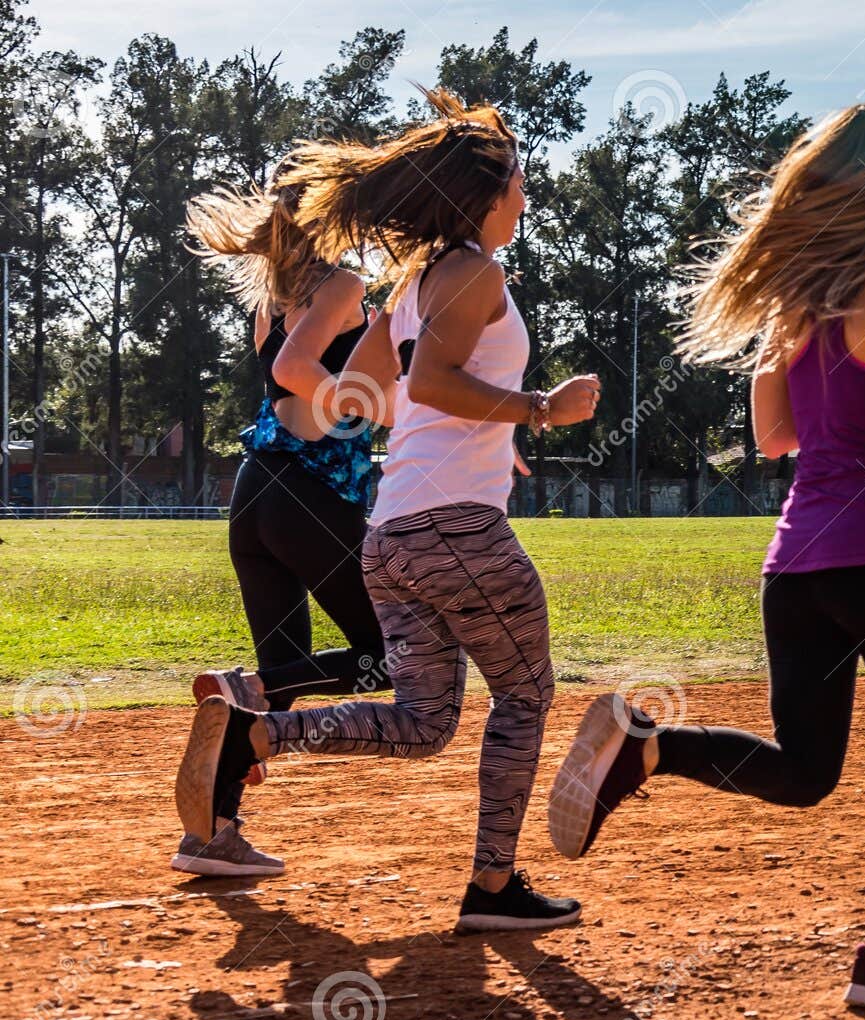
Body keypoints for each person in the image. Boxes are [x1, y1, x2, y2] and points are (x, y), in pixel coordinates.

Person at [546, 102, 865, 1006]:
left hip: (796, 565)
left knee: (807, 771)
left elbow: (773, 435)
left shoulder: (795, 305)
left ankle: (648, 748)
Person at [173, 91, 602, 934]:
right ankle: (492, 885)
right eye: (518, 178)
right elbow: (431, 385)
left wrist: (476, 426)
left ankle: (255, 736)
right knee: (526, 695)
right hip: (459, 529)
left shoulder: (410, 285)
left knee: (424, 720)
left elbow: (374, 398)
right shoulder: (476, 271)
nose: (525, 194)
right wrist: (538, 408)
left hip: (393, 534)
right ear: (483, 193)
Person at [181, 172, 395, 874]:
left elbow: (283, 373)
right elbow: (297, 372)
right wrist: (381, 409)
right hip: (309, 499)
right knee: (385, 657)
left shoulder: (271, 303)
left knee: (285, 673)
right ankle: (249, 696)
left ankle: (211, 835)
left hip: (254, 497)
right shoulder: (339, 287)